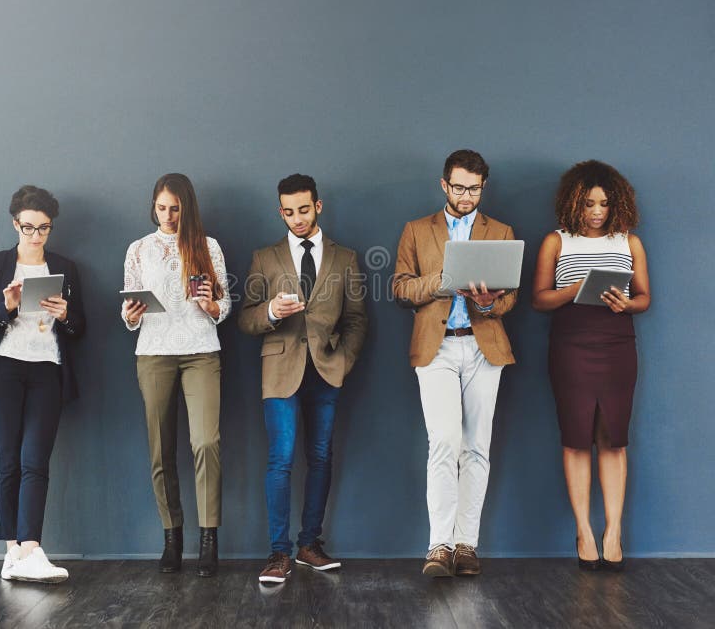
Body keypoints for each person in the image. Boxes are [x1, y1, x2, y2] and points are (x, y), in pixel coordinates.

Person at [393, 149, 518, 578]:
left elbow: (512, 295)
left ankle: (467, 544)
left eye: (475, 188)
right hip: (437, 349)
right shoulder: (416, 230)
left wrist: (491, 301)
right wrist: (443, 281)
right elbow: (401, 288)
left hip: (485, 348)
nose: (467, 196)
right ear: (444, 185)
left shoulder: (501, 231)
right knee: (444, 442)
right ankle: (438, 546)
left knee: (477, 447)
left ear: (484, 186)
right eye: (460, 187)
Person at [238, 174, 368, 584]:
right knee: (281, 458)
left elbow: (357, 318)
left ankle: (310, 544)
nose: (297, 218)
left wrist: (343, 361)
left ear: (318, 207)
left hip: (327, 369)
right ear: (281, 211)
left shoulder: (345, 257)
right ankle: (279, 554)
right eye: (289, 212)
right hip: (280, 369)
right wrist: (272, 312)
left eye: (304, 210)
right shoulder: (265, 257)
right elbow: (245, 318)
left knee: (321, 457)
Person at [532, 160, 650, 572]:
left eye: (603, 203)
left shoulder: (628, 242)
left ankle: (613, 531)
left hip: (618, 343)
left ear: (616, 204)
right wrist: (574, 289)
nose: (597, 211)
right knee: (576, 437)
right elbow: (539, 300)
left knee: (614, 438)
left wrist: (627, 303)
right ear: (573, 203)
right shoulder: (556, 242)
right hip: (570, 344)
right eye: (588, 203)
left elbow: (645, 298)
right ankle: (584, 530)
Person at [0, 185, 86, 583]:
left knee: (36, 460)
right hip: (3, 369)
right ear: (14, 224)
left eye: (44, 228)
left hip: (46, 369)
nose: (36, 236)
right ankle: (12, 552)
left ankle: (31, 549)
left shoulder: (65, 267)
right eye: (28, 228)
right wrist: (7, 308)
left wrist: (66, 313)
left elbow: (79, 327)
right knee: (9, 461)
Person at [122, 173, 231, 576]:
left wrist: (212, 305)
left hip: (201, 351)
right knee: (160, 448)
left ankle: (209, 539)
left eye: (175, 208)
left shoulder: (208, 247)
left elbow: (226, 305)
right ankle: (172, 537)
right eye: (161, 208)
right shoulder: (138, 249)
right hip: (153, 352)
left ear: (187, 207)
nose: (167, 216)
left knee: (206, 442)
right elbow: (129, 305)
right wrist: (130, 316)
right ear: (153, 206)